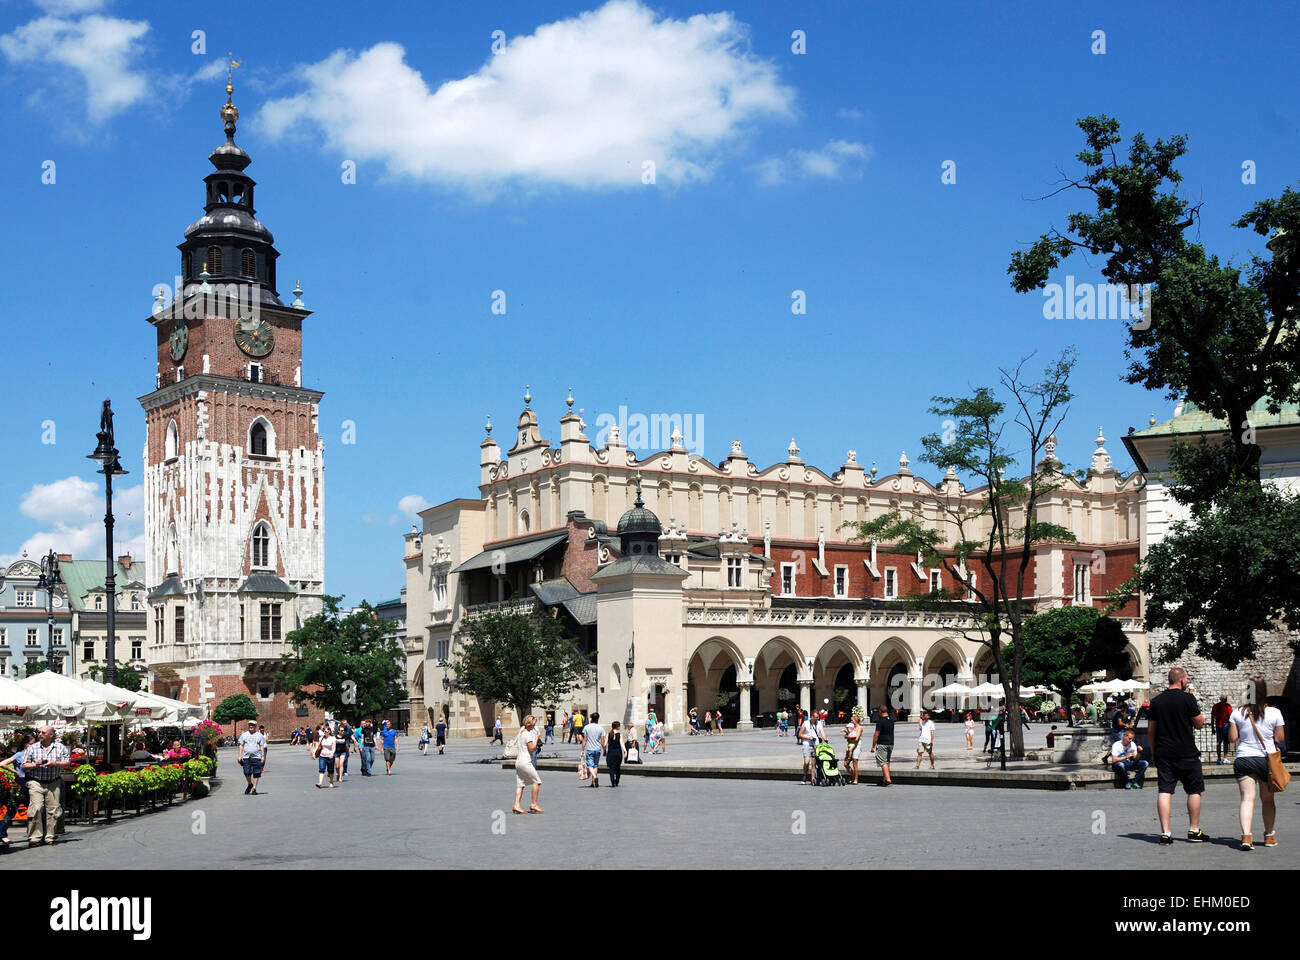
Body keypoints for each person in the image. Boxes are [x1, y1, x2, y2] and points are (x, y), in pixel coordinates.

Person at [1146, 667, 1207, 844]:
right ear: (1181, 680)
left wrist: (1153, 751)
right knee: (1194, 790)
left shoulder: (1156, 701)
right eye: (1186, 679)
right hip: (1187, 752)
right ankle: (1194, 830)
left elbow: (1151, 730)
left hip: (1164, 752)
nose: (1187, 681)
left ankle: (1166, 833)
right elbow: (1199, 724)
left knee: (1165, 791)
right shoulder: (1188, 698)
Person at [1227, 687, 1285, 850]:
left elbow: (1232, 738)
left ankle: (1246, 837)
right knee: (1267, 800)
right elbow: (1280, 739)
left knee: (1247, 799)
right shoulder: (1274, 712)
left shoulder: (1237, 713)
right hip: (1265, 761)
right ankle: (1269, 836)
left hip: (1244, 758)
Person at [23, 725, 71, 845]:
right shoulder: (32, 748)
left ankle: (49, 837)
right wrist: (35, 764)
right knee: (36, 808)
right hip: (36, 782)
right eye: (39, 732)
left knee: (53, 811)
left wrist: (54, 763)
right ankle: (34, 838)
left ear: (51, 735)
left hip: (54, 782)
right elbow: (24, 765)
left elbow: (67, 763)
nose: (40, 734)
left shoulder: (60, 747)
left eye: (43, 732)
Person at [0, 734, 34, 847]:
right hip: (21, 784)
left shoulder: (35, 754)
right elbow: (2, 763)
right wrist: (14, 772)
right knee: (13, 810)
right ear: (26, 744)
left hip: (32, 784)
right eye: (31, 744)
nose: (33, 746)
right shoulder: (20, 754)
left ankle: (32, 834)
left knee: (33, 810)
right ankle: (2, 834)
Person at [511, 715, 543, 814]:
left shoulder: (521, 733)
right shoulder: (528, 734)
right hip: (525, 761)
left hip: (519, 761)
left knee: (520, 784)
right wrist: (537, 738)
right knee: (537, 781)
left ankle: (516, 805)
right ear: (531, 724)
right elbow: (532, 748)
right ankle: (534, 804)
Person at [237, 719, 267, 795]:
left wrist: (263, 756)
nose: (251, 726)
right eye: (250, 725)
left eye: (253, 725)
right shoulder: (244, 735)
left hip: (257, 757)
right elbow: (241, 745)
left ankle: (254, 788)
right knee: (247, 772)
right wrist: (239, 755)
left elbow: (261, 746)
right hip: (246, 757)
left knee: (256, 773)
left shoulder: (259, 735)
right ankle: (250, 784)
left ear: (255, 726)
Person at [872, 705, 895, 786]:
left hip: (882, 743)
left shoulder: (880, 721)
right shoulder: (891, 720)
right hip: (891, 743)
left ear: (880, 711)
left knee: (882, 762)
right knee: (887, 762)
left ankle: (888, 780)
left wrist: (873, 746)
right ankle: (885, 779)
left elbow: (876, 734)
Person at [583, 711, 606, 787]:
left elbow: (585, 739)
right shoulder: (601, 728)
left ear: (591, 718)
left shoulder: (587, 727)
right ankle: (593, 782)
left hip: (589, 749)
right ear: (598, 719)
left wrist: (582, 749)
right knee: (595, 765)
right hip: (598, 749)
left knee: (589, 765)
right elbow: (602, 741)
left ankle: (595, 777)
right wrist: (604, 750)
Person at [797, 709, 818, 784]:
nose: (817, 718)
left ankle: (813, 779)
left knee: (813, 763)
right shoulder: (806, 723)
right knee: (806, 762)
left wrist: (825, 739)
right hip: (806, 744)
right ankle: (805, 775)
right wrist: (808, 738)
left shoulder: (818, 723)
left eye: (817, 717)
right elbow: (800, 734)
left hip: (815, 744)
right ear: (811, 716)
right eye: (815, 717)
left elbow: (822, 732)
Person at [1211, 695, 1234, 764]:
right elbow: (1231, 717)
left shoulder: (1215, 706)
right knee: (1225, 742)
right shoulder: (1228, 706)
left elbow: (1212, 717)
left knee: (1218, 742)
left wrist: (1212, 727)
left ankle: (1218, 758)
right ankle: (1225, 758)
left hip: (1218, 725)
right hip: (1225, 725)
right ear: (1226, 699)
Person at [315, 724, 336, 788]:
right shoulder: (322, 738)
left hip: (330, 756)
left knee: (330, 770)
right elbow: (318, 746)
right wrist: (314, 753)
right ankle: (320, 783)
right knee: (321, 769)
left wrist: (332, 754)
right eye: (324, 731)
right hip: (322, 756)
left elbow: (334, 747)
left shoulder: (333, 738)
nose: (325, 733)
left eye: (326, 731)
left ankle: (331, 782)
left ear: (329, 731)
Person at [844, 715, 862, 784]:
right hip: (850, 745)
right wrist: (848, 736)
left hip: (857, 746)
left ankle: (856, 779)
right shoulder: (851, 727)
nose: (851, 721)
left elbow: (856, 738)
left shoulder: (859, 728)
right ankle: (852, 776)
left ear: (856, 720)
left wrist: (848, 737)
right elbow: (845, 736)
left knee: (855, 762)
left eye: (852, 720)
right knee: (845, 764)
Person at [606, 720, 624, 787]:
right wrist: (625, 751)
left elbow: (605, 744)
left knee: (611, 768)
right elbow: (622, 744)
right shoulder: (620, 735)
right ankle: (616, 781)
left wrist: (604, 750)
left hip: (610, 753)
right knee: (618, 768)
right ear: (618, 727)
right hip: (618, 753)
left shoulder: (608, 734)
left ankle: (613, 783)